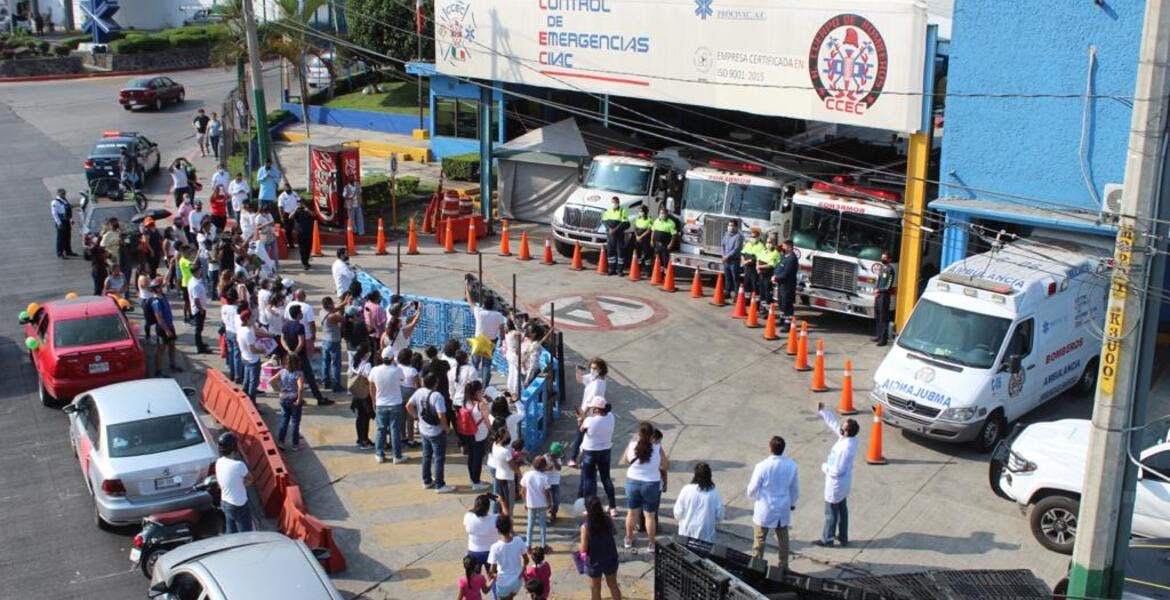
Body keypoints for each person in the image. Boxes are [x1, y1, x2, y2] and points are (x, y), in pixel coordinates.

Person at [746, 435, 800, 570]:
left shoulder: (762, 466)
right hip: (782, 507)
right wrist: (792, 503)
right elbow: (794, 488)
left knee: (759, 539)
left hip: (765, 507)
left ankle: (757, 565)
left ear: (770, 448)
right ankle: (783, 565)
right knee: (783, 539)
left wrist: (751, 495)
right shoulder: (791, 466)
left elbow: (753, 487)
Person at [815, 401, 860, 547]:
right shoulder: (849, 439)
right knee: (842, 510)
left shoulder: (845, 449)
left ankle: (827, 539)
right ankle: (843, 537)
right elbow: (834, 425)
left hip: (836, 484)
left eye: (843, 427)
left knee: (831, 513)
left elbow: (837, 470)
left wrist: (825, 467)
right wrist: (824, 411)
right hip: (843, 484)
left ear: (846, 432)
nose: (840, 427)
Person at [620, 421, 668, 551]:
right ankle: (651, 543)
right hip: (651, 484)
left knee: (631, 513)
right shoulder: (657, 448)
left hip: (632, 482)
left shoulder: (631, 445)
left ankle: (629, 539)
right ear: (652, 434)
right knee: (650, 516)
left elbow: (624, 460)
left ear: (639, 434)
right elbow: (664, 465)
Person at [407, 371, 455, 493]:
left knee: (426, 456)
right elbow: (441, 415)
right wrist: (446, 428)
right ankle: (440, 484)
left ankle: (427, 480)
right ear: (436, 383)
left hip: (424, 429)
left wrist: (416, 417)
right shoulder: (437, 396)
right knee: (439, 458)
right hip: (436, 431)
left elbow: (408, 405)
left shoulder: (419, 392)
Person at [281, 303, 331, 405]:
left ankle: (293, 397)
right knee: (309, 377)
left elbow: (282, 339)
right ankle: (319, 398)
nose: (302, 314)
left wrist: (289, 350)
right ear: (298, 314)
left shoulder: (285, 325)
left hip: (289, 355)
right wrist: (296, 352)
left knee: (291, 376)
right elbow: (301, 341)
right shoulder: (300, 326)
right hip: (300, 357)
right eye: (301, 312)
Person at [577, 396, 618, 517]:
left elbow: (581, 429)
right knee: (606, 478)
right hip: (605, 450)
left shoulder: (590, 420)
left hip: (590, 451)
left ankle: (590, 507)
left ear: (595, 409)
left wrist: (581, 419)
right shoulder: (611, 417)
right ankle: (612, 507)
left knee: (589, 480)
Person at [579, 495, 622, 600]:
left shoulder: (585, 526)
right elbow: (615, 531)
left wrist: (579, 546)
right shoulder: (607, 518)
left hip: (595, 561)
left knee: (595, 589)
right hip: (610, 557)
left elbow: (583, 548)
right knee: (613, 585)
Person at [466, 277, 507, 386]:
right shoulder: (498, 316)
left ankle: (472, 382)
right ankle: (484, 386)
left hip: (479, 340)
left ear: (483, 304)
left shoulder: (479, 312)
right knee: (486, 365)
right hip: (491, 341)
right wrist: (503, 341)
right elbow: (502, 330)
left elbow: (470, 301)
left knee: (474, 364)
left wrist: (467, 287)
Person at [369, 346, 406, 464]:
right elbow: (402, 379)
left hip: (381, 403)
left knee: (381, 429)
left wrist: (373, 400)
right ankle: (397, 456)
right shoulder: (397, 370)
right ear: (392, 359)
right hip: (395, 403)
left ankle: (379, 454)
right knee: (395, 430)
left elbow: (371, 386)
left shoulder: (375, 370)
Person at [672, 462, 725, 543]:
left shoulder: (686, 489)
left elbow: (677, 512)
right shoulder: (714, 493)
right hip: (706, 535)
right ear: (709, 475)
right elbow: (720, 515)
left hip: (686, 533)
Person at [570, 358, 608, 467]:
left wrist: (583, 414)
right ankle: (578, 459)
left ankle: (575, 458)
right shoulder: (593, 378)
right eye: (591, 368)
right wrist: (578, 370)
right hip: (586, 412)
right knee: (582, 436)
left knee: (581, 435)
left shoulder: (599, 383)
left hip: (590, 413)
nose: (592, 370)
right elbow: (580, 380)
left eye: (595, 368)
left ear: (601, 369)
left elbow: (591, 400)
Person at [215, 432, 254, 533]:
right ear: (235, 448)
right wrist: (241, 486)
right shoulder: (238, 465)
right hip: (239, 503)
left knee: (231, 532)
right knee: (245, 534)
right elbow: (250, 479)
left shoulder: (219, 462)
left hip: (225, 502)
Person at [459, 380, 492, 490]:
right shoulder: (481, 404)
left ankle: (473, 479)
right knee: (477, 458)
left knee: (471, 456)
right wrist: (492, 431)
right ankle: (476, 482)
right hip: (479, 434)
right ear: (477, 392)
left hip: (467, 432)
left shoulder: (464, 402)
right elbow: (487, 421)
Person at [269, 354, 305, 451]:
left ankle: (281, 442)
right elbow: (300, 388)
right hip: (293, 399)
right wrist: (299, 400)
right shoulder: (299, 374)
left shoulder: (282, 372)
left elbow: (271, 381)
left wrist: (279, 390)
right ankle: (295, 444)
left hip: (283, 399)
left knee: (284, 420)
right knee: (295, 422)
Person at [487, 516, 528, 600]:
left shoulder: (495, 547)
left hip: (503, 583)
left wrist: (493, 577)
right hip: (517, 580)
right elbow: (526, 560)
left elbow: (491, 571)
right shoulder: (519, 540)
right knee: (511, 597)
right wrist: (523, 569)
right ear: (510, 528)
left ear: (497, 530)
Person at [148, 278, 182, 376]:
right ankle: (157, 371)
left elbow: (166, 280)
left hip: (170, 326)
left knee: (172, 345)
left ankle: (172, 365)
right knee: (161, 349)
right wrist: (166, 330)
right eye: (159, 286)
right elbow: (159, 317)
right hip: (162, 329)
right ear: (156, 288)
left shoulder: (162, 296)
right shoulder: (156, 301)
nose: (161, 287)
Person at [520, 455, 553, 551]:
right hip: (542, 504)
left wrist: (525, 502)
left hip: (531, 504)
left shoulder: (527, 475)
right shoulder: (544, 477)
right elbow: (547, 493)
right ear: (544, 466)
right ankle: (543, 545)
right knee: (542, 525)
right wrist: (549, 503)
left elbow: (522, 491)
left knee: (530, 525)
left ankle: (528, 545)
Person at [348, 345, 375, 449]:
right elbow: (370, 379)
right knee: (365, 417)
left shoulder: (354, 362)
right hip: (364, 394)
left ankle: (360, 439)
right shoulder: (366, 365)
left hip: (356, 394)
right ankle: (365, 440)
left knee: (359, 417)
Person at [237, 310, 266, 403]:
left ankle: (244, 398)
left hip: (245, 357)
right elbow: (252, 349)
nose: (254, 319)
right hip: (252, 359)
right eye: (252, 317)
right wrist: (262, 350)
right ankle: (252, 402)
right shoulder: (248, 332)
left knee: (247, 379)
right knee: (253, 382)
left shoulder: (241, 329)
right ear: (247, 319)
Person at [488, 425, 517, 517]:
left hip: (499, 476)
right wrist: (519, 475)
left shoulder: (494, 445)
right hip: (508, 478)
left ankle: (500, 518)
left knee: (501, 500)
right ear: (503, 438)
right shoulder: (505, 451)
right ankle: (509, 525)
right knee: (509, 504)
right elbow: (513, 466)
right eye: (508, 435)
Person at [464, 493, 497, 569]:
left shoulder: (469, 517)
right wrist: (501, 502)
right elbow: (506, 515)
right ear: (488, 508)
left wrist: (478, 504)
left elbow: (469, 511)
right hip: (491, 553)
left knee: (474, 578)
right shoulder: (494, 519)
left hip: (473, 552)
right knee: (493, 577)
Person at [320, 296, 346, 392]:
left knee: (325, 362)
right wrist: (342, 307)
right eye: (332, 303)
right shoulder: (332, 316)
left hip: (325, 340)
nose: (334, 304)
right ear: (330, 304)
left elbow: (335, 309)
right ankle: (336, 384)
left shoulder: (322, 312)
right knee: (336, 364)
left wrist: (344, 302)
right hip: (333, 341)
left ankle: (326, 381)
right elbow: (342, 318)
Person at [774, 239, 800, 330]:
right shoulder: (784, 257)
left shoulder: (792, 259)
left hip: (788, 285)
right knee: (781, 302)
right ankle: (782, 320)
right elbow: (778, 267)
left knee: (787, 304)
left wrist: (776, 278)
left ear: (789, 248)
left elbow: (786, 273)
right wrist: (775, 275)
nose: (782, 248)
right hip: (781, 284)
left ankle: (788, 324)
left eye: (784, 247)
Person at [601, 196, 629, 276]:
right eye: (613, 202)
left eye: (615, 202)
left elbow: (624, 222)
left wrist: (615, 229)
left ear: (618, 203)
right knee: (610, 252)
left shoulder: (622, 211)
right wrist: (609, 229)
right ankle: (611, 269)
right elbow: (604, 221)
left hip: (619, 235)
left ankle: (619, 270)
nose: (614, 204)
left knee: (620, 252)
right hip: (610, 235)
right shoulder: (608, 210)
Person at [650, 206, 678, 280]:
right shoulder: (656, 221)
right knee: (658, 260)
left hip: (665, 245)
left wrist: (671, 244)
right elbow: (653, 231)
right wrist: (651, 240)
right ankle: (659, 275)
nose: (662, 214)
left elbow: (674, 235)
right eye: (660, 213)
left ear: (666, 214)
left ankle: (666, 276)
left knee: (665, 260)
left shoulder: (671, 223)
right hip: (657, 244)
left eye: (663, 213)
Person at [188, 263, 211, 353]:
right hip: (198, 310)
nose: (201, 271)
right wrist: (201, 309)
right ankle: (200, 347)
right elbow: (196, 299)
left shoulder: (196, 281)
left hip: (200, 308)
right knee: (198, 329)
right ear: (195, 272)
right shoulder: (195, 285)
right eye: (199, 270)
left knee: (200, 328)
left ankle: (200, 343)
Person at [874, 251, 895, 346]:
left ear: (889, 259)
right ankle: (878, 336)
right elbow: (878, 280)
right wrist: (875, 288)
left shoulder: (890, 270)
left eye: (885, 258)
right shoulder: (882, 268)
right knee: (878, 316)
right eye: (882, 258)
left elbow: (888, 285)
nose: (883, 259)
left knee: (883, 317)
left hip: (884, 296)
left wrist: (880, 290)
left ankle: (883, 339)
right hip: (878, 295)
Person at [720, 219, 743, 297]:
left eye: (732, 226)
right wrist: (723, 255)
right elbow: (722, 245)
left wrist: (727, 256)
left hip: (734, 260)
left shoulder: (739, 236)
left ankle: (737, 295)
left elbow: (736, 249)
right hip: (726, 260)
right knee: (727, 277)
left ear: (736, 227)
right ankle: (727, 292)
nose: (730, 227)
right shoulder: (726, 234)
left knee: (735, 278)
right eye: (729, 225)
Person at [755, 235, 781, 302]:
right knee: (761, 289)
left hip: (768, 274)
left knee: (767, 290)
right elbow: (758, 259)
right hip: (761, 273)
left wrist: (759, 267)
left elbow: (770, 265)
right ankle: (762, 305)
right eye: (767, 242)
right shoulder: (763, 250)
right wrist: (757, 267)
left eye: (770, 242)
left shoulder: (775, 253)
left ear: (773, 244)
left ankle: (767, 306)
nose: (768, 244)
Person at [292, 200, 317, 269]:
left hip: (308, 231)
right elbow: (290, 217)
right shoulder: (296, 211)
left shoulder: (307, 210)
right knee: (302, 248)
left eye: (301, 203)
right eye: (298, 203)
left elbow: (314, 215)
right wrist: (295, 210)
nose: (300, 205)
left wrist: (307, 210)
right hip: (300, 232)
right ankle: (304, 262)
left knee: (308, 248)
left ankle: (306, 261)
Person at [740, 228, 764, 296]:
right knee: (747, 283)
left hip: (754, 268)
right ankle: (747, 300)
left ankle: (756, 301)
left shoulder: (761, 246)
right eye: (751, 237)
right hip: (747, 267)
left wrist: (748, 261)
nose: (752, 238)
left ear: (758, 237)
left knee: (755, 285)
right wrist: (743, 261)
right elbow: (742, 253)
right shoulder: (748, 244)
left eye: (754, 237)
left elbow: (757, 257)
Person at [51, 189, 75, 259]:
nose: (63, 195)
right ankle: (60, 253)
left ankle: (68, 251)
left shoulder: (65, 200)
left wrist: (71, 219)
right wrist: (59, 223)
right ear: (58, 194)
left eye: (64, 193)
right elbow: (54, 214)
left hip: (67, 220)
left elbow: (68, 211)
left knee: (68, 237)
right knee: (61, 238)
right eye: (62, 194)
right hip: (61, 221)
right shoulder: (55, 202)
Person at [629, 205, 653, 272]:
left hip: (645, 238)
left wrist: (641, 236)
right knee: (638, 252)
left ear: (645, 212)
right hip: (637, 237)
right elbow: (635, 228)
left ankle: (648, 270)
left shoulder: (649, 219)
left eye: (641, 211)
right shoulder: (637, 218)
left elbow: (649, 230)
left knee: (646, 253)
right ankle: (638, 268)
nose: (640, 213)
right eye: (639, 211)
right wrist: (637, 236)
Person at [278, 185, 300, 249]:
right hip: (286, 214)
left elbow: (299, 201)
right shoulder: (282, 196)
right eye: (287, 190)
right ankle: (290, 244)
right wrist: (281, 217)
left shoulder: (294, 193)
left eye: (289, 189)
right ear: (284, 190)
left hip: (295, 213)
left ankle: (299, 242)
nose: (289, 191)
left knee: (298, 228)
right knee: (288, 230)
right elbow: (280, 207)